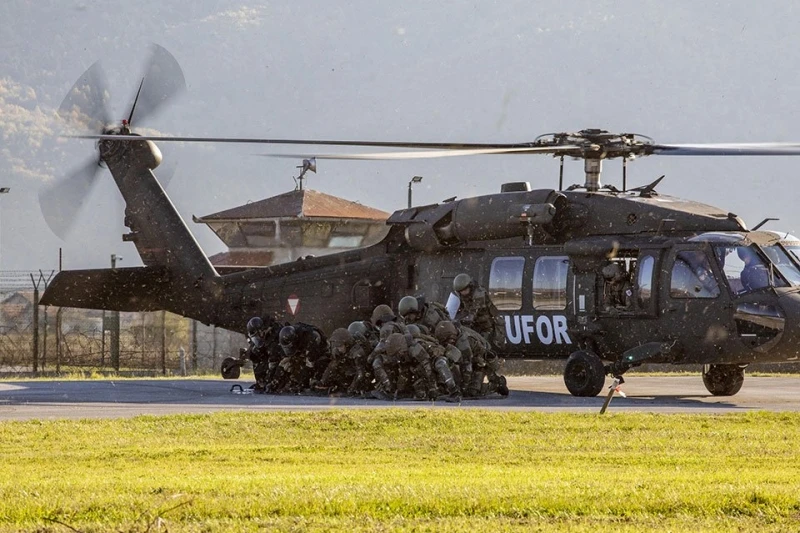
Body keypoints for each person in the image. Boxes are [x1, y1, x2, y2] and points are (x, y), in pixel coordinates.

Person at [271, 323, 329, 393]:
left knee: (318, 363)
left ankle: (315, 382)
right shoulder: (287, 340)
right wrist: (275, 381)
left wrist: (302, 384)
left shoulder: (310, 337)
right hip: (303, 352)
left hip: (319, 353)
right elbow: (284, 362)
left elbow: (309, 364)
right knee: (288, 363)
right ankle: (283, 382)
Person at [448, 273, 501, 343]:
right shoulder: (462, 295)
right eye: (461, 291)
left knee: (481, 346)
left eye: (464, 290)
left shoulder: (479, 294)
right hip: (475, 325)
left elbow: (472, 314)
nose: (463, 293)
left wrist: (459, 321)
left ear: (469, 286)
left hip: (485, 327)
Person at [242, 316, 282, 392]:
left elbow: (273, 361)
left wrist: (269, 382)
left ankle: (270, 382)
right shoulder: (263, 336)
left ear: (261, 331)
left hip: (279, 360)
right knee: (254, 354)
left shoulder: (274, 337)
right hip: (270, 357)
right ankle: (261, 382)